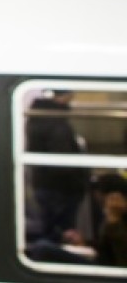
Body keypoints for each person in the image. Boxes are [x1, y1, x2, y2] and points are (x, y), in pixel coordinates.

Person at [26, 89, 89, 242]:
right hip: (61, 189)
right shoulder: (56, 122)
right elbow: (63, 161)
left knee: (51, 230)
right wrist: (79, 182)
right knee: (64, 234)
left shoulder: (38, 117)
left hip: (45, 184)